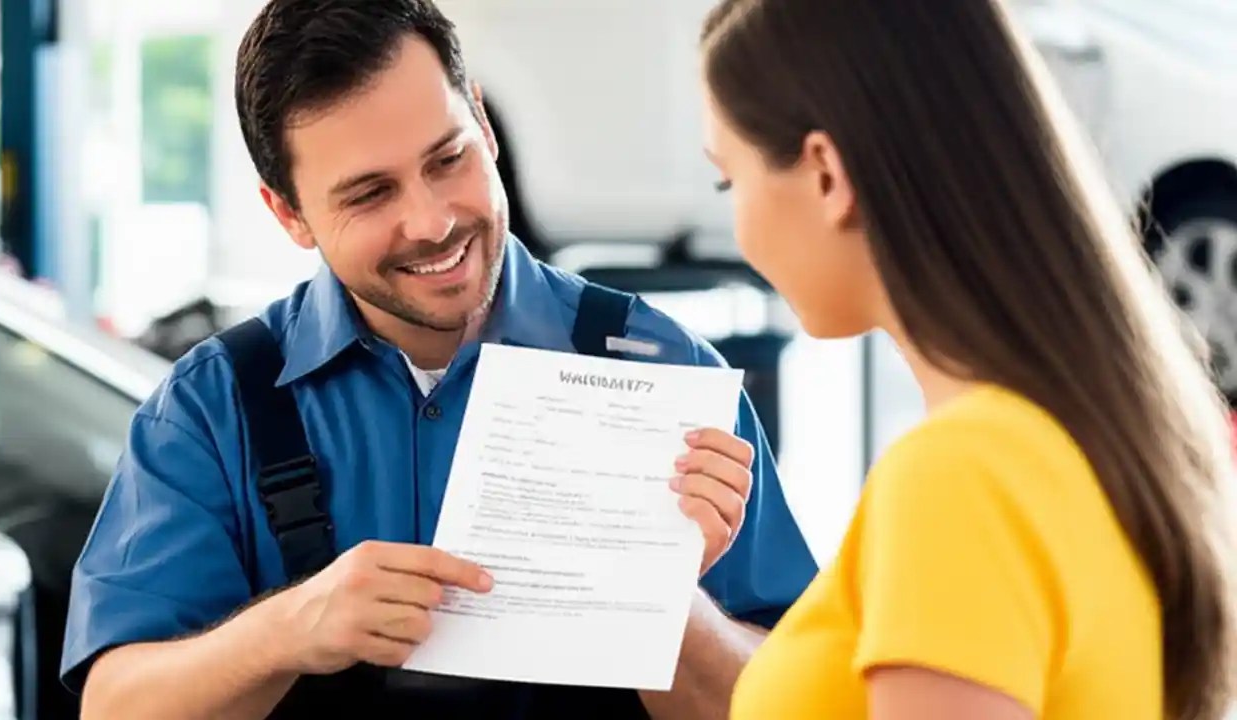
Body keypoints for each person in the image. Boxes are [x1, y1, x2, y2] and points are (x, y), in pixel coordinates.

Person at [60, 1, 817, 718]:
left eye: (447, 158)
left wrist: (662, 601)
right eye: (368, 195)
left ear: (482, 124)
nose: (431, 220)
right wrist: (289, 628)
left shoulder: (665, 373)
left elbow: (800, 704)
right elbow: (115, 706)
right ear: (288, 214)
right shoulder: (213, 409)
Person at [698, 1, 1237, 719]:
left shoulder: (959, 475)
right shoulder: (1086, 440)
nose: (737, 227)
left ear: (827, 174)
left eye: (729, 180)